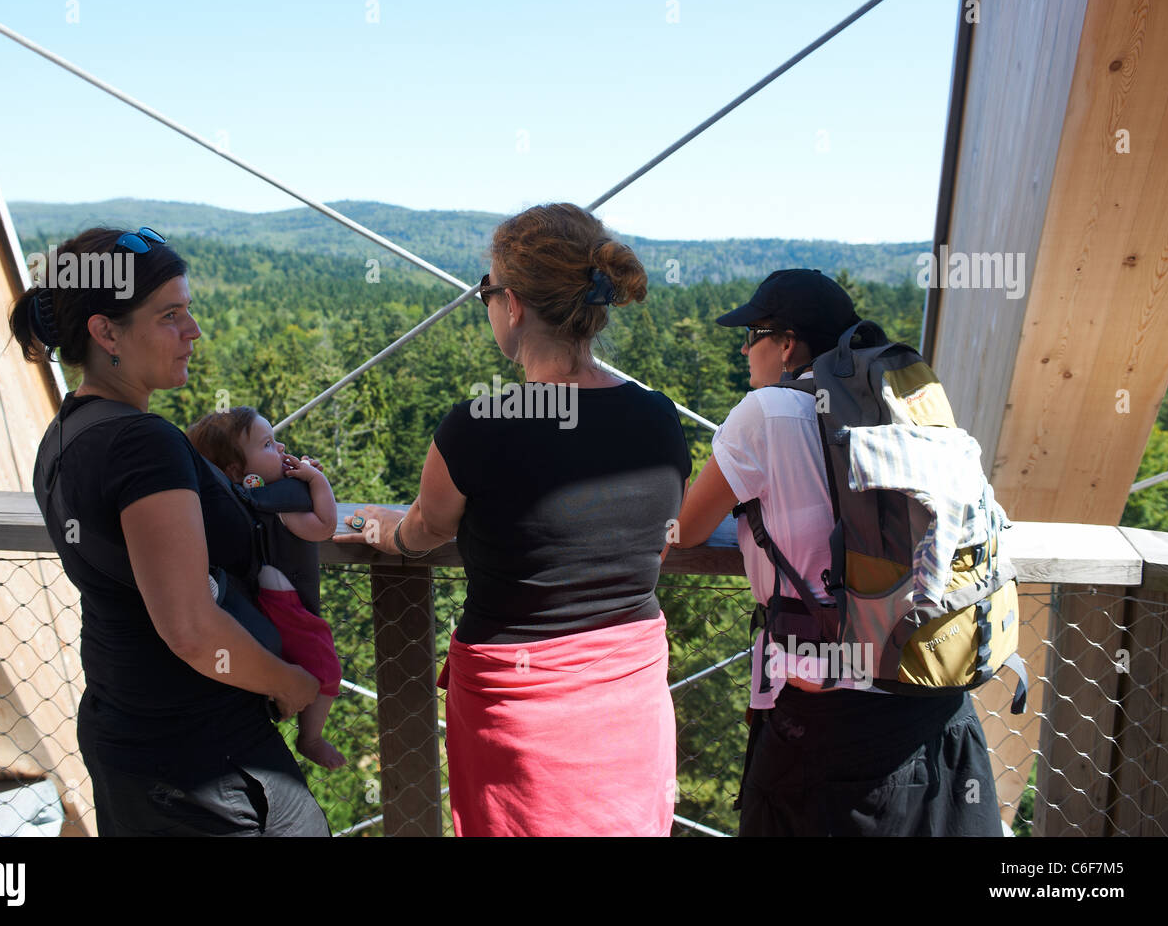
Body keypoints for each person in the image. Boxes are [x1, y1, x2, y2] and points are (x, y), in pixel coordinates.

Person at [335, 202, 691, 837]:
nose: (487, 304)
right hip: (629, 694)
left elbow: (423, 531)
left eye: (486, 291)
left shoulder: (477, 426)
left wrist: (374, 527)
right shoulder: (660, 418)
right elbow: (655, 544)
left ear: (515, 304)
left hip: (519, 706)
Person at [10, 227, 329, 836]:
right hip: (203, 755)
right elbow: (188, 629)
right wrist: (291, 683)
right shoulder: (142, 443)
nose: (194, 331)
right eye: (171, 314)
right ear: (107, 333)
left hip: (131, 731)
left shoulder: (65, 437)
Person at [672, 268, 1002, 836]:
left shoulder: (765, 415)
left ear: (787, 344)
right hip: (935, 693)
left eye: (751, 335)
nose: (745, 349)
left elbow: (687, 530)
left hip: (829, 719)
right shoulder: (898, 408)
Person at [186, 407, 344, 769]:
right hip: (283, 600)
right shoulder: (278, 505)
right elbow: (324, 525)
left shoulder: (248, 497)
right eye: (269, 444)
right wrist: (318, 482)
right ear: (237, 472)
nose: (282, 447)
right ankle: (311, 737)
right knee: (325, 664)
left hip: (256, 599)